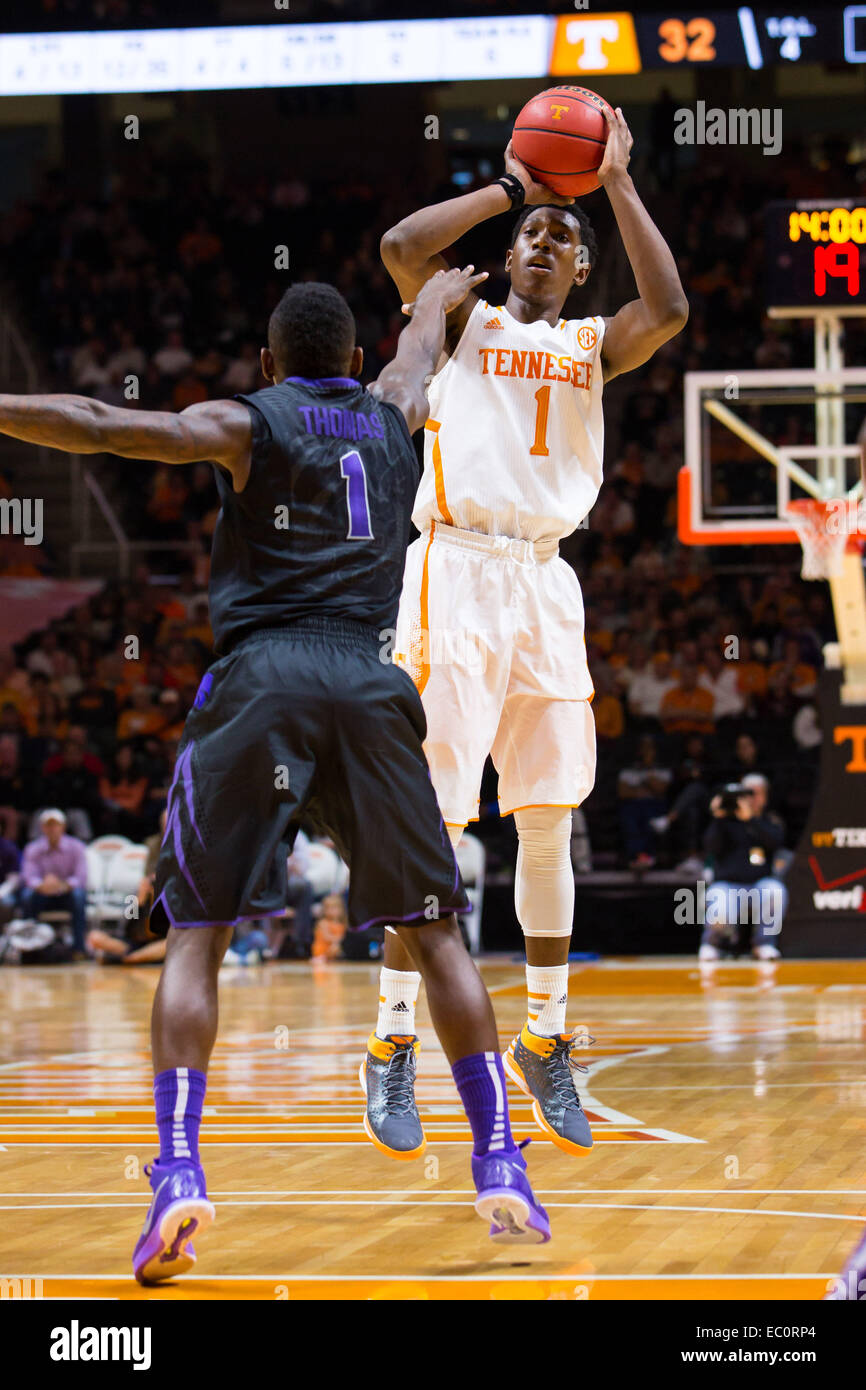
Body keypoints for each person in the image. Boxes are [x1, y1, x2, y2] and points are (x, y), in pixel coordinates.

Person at [0, 266, 552, 1280]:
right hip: (371, 680)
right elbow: (419, 351)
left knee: (198, 938)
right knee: (436, 936)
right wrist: (435, 294)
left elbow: (97, 423)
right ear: (351, 360)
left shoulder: (245, 420)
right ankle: (500, 1162)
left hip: (262, 682)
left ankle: (175, 1174)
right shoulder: (394, 413)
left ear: (266, 362)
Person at [365, 104, 688, 1157]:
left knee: (545, 817)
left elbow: (671, 307)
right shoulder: (462, 318)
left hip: (546, 584)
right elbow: (402, 248)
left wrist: (615, 182)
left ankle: (543, 1037)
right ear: (509, 254)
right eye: (534, 236)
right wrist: (516, 186)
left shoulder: (595, 346)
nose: (547, 244)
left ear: (581, 269)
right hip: (450, 569)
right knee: (439, 821)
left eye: (565, 238)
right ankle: (390, 1043)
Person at [700, 784, 787, 961]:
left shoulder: (766, 820)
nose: (745, 800)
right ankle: (712, 943)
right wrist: (718, 817)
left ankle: (764, 944)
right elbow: (710, 847)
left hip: (758, 885)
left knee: (775, 890)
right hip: (727, 886)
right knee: (720, 903)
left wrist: (750, 820)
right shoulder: (723, 823)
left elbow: (775, 842)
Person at [18, 809, 89, 955]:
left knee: (79, 896)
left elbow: (80, 877)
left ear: (63, 826)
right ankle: (29, 948)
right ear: (42, 828)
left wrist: (61, 885)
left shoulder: (77, 847)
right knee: (26, 895)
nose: (52, 829)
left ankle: (79, 948)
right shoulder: (32, 848)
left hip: (66, 893)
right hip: (42, 894)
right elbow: (29, 877)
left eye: (55, 825)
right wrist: (42, 885)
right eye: (48, 825)